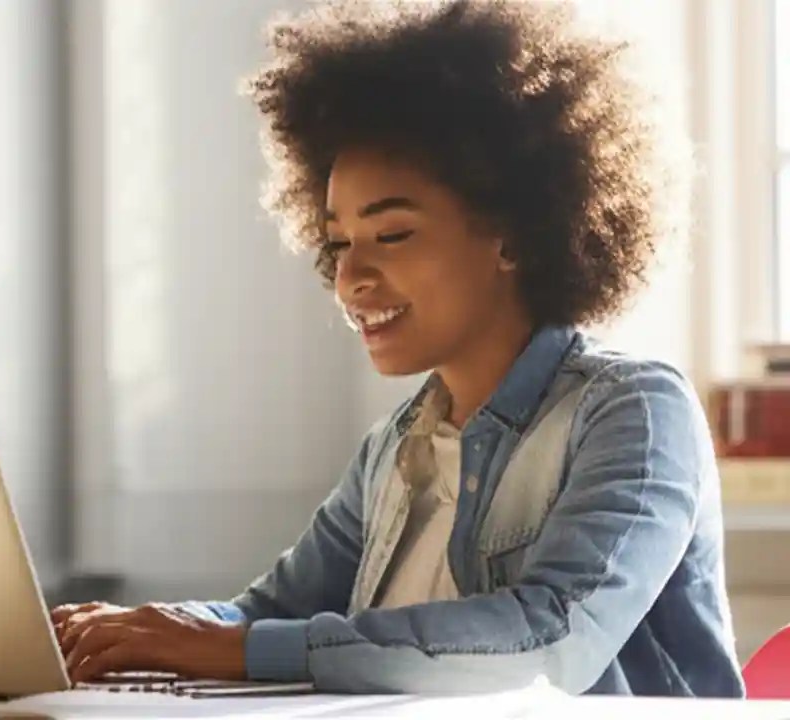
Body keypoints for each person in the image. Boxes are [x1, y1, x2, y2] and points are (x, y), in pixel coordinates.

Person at [51, 0, 743, 696]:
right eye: (338, 243)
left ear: (513, 236)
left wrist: (230, 645)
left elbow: (553, 640)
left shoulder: (634, 412)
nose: (349, 277)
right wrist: (128, 631)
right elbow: (266, 616)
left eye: (392, 236)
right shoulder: (395, 448)